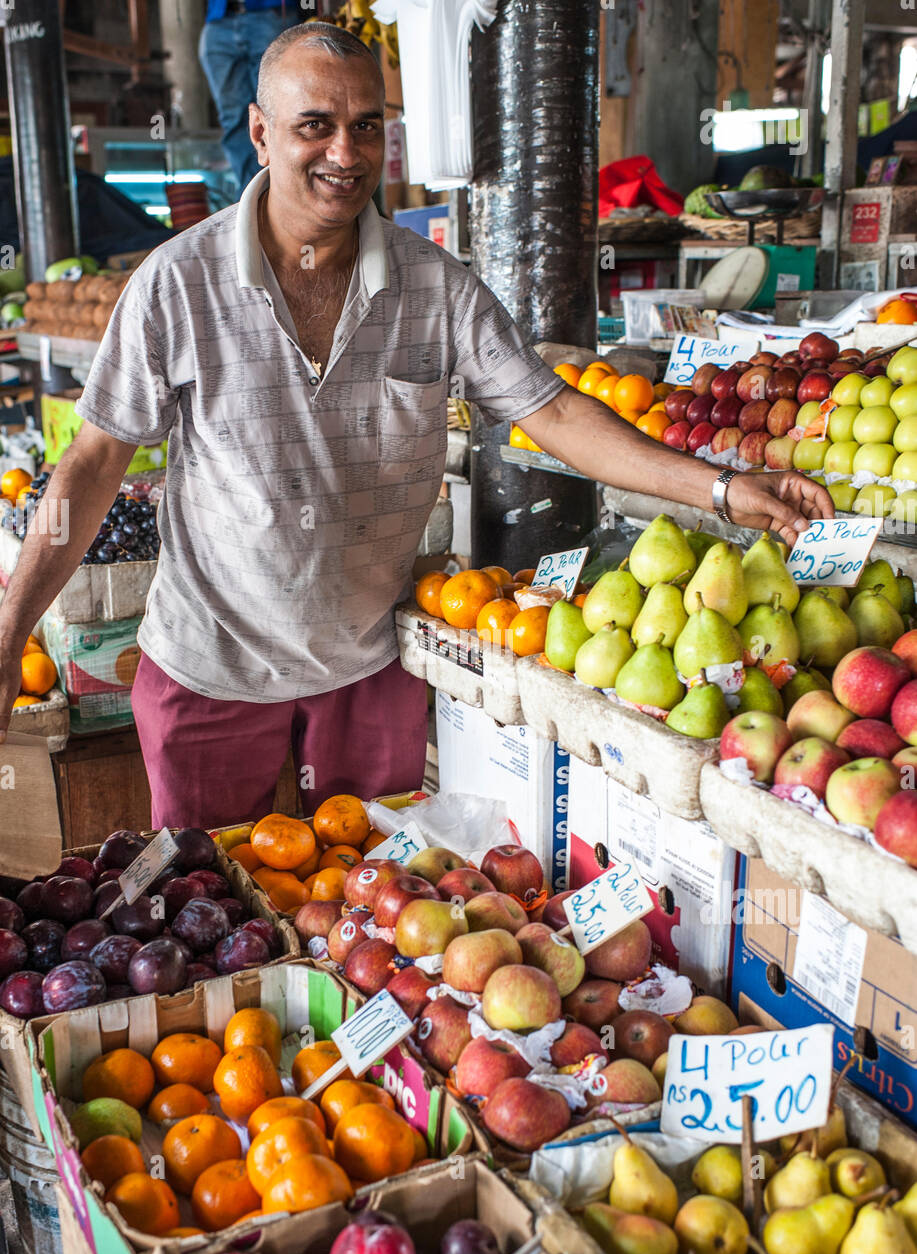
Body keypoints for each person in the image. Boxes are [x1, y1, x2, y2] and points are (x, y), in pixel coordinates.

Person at [0, 23, 832, 830]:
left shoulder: (434, 287)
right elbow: (94, 462)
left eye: (367, 127)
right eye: (314, 127)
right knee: (215, 911)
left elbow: (558, 412)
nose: (345, 153)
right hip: (212, 670)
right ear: (259, 132)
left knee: (377, 910)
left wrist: (720, 487)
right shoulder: (177, 284)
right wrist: (10, 636)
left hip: (369, 666)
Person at [199, 1, 300, 192]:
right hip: (219, 18)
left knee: (278, 112)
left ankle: (286, 194)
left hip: (270, 13)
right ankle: (250, 196)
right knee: (233, 119)